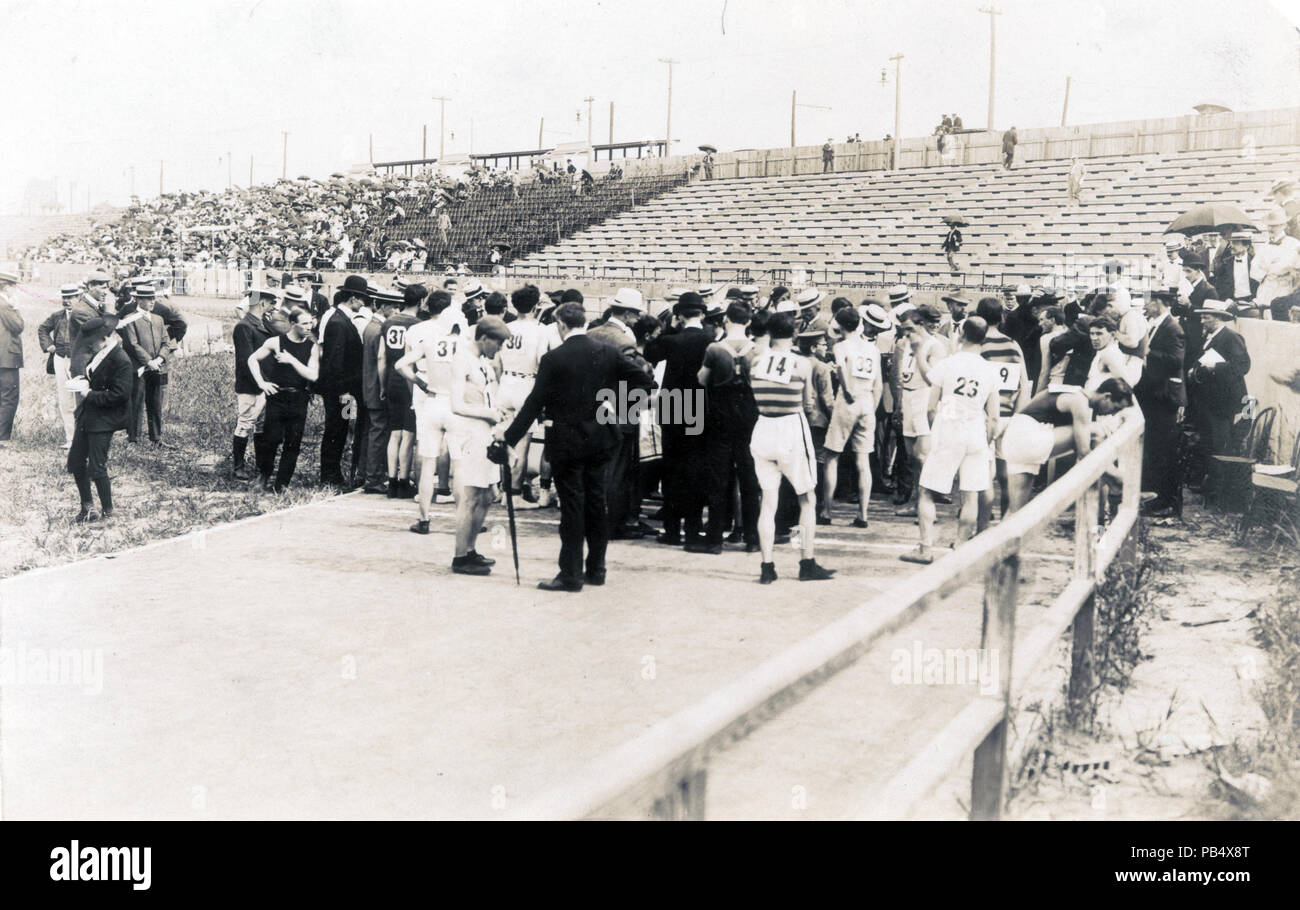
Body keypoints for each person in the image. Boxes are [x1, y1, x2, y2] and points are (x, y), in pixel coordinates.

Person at [496, 302, 653, 592]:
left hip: (567, 439)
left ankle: (570, 574)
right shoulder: (607, 353)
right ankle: (597, 569)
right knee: (596, 503)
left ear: (561, 324)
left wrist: (509, 437)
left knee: (572, 507)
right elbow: (645, 380)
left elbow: (534, 404)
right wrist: (614, 406)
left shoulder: (554, 358)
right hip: (601, 436)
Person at [901, 318, 1000, 565]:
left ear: (962, 335)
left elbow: (931, 407)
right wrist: (986, 440)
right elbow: (994, 417)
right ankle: (961, 546)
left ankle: (925, 548)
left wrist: (937, 430)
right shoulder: (989, 370)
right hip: (976, 431)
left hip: (949, 427)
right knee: (970, 494)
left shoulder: (948, 363)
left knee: (927, 490)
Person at [747, 312, 835, 583]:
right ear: (794, 334)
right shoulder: (801, 363)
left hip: (763, 427)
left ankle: (767, 566)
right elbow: (808, 402)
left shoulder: (755, 361)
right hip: (791, 427)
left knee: (768, 501)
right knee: (806, 498)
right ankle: (805, 561)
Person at [1001, 379, 1135, 514]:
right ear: (1107, 396)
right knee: (1096, 432)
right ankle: (1118, 484)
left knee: (1016, 511)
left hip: (1013, 439)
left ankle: (1115, 486)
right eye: (1116, 408)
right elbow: (1083, 452)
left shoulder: (1076, 393)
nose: (1112, 414)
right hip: (1026, 437)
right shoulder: (1079, 401)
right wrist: (1115, 475)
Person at [645, 291, 712, 547]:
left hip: (672, 407)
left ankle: (671, 528)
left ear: (679, 315)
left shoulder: (671, 340)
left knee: (672, 469)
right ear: (702, 314)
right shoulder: (710, 340)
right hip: (698, 407)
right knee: (695, 469)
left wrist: (670, 328)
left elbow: (650, 353)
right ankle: (693, 529)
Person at [448, 316, 512, 576]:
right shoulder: (462, 359)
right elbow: (456, 405)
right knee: (472, 495)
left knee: (487, 496)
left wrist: (496, 412)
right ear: (484, 338)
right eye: (498, 343)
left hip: (485, 431)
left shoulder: (483, 361)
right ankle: (460, 557)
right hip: (470, 433)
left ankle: (471, 549)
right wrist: (489, 413)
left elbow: (486, 397)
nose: (500, 349)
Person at [696, 301, 761, 552]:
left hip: (720, 416)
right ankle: (752, 538)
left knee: (718, 478)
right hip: (749, 416)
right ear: (748, 322)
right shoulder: (756, 351)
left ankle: (714, 539)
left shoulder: (715, 348)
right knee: (749, 478)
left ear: (726, 320)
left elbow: (702, 380)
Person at [587, 287, 651, 536]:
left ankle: (595, 518)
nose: (636, 319)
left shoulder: (590, 334)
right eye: (635, 315)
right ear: (626, 314)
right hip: (620, 409)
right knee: (619, 470)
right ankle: (613, 523)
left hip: (592, 408)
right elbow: (636, 376)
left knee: (596, 468)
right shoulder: (625, 341)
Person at [397, 291, 462, 533]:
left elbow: (400, 365)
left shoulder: (429, 341)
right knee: (460, 463)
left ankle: (424, 519)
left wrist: (419, 382)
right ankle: (463, 519)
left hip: (433, 399)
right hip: (455, 403)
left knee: (427, 462)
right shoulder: (464, 344)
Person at [823, 305, 887, 528]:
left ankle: (827, 511)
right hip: (867, 400)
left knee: (832, 455)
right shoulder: (873, 349)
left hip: (847, 400)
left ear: (840, 326)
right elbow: (879, 384)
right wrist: (871, 406)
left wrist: (848, 390)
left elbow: (841, 368)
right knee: (863, 460)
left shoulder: (841, 346)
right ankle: (863, 514)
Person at [64, 317, 132, 520]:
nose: (88, 346)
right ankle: (88, 508)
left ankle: (108, 512)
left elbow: (120, 395)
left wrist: (89, 394)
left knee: (96, 466)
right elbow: (97, 378)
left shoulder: (121, 360)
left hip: (105, 419)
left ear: (104, 338)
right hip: (89, 416)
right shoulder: (101, 353)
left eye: (91, 343)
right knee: (76, 462)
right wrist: (83, 381)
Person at [248, 306, 320, 492]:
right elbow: (252, 359)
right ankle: (264, 476)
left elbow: (313, 375)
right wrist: (262, 383)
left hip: (299, 398)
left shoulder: (312, 347)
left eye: (310, 323)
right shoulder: (276, 342)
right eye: (304, 324)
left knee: (293, 443)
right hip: (277, 397)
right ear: (292, 324)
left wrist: (291, 360)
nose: (309, 327)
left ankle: (282, 484)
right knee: (271, 439)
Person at [1188, 300, 1251, 501]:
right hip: (1209, 400)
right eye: (1201, 316)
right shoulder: (1210, 336)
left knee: (1219, 444)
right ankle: (1210, 484)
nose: (1202, 320)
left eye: (1206, 317)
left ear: (1219, 318)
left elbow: (1242, 366)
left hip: (1223, 402)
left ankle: (1218, 490)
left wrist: (1215, 367)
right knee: (1208, 441)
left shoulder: (1231, 337)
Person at [1134, 290, 1186, 517]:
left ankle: (1166, 500)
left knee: (1163, 450)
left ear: (1158, 303)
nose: (1146, 306)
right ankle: (1155, 497)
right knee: (1154, 449)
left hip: (1164, 398)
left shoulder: (1173, 327)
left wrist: (1148, 353)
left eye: (1148, 302)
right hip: (1153, 396)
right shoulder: (1155, 325)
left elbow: (1176, 361)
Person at [894, 304, 948, 516]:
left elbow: (933, 379)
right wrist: (899, 403)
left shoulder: (934, 346)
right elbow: (902, 376)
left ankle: (927, 506)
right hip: (908, 397)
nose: (906, 333)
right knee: (911, 457)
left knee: (923, 455)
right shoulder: (905, 343)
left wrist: (918, 353)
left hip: (925, 397)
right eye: (904, 330)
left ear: (921, 324)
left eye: (910, 328)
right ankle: (916, 502)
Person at [317, 276, 367, 487]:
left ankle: (333, 473)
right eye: (362, 299)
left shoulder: (342, 319)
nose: (363, 304)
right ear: (353, 298)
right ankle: (329, 475)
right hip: (340, 392)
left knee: (341, 428)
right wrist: (343, 391)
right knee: (336, 429)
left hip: (342, 391)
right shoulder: (339, 323)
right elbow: (335, 362)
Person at [377, 283, 424, 498]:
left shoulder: (388, 322)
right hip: (409, 378)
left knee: (394, 432)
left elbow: (381, 357)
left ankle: (392, 481)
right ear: (421, 302)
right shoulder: (418, 325)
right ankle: (404, 481)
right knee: (408, 432)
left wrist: (382, 384)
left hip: (391, 379)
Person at [117, 284, 177, 445]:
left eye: (153, 298)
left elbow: (166, 342)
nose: (152, 301)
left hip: (157, 367)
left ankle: (156, 437)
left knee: (155, 402)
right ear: (138, 300)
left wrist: (159, 359)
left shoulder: (158, 319)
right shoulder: (130, 319)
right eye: (148, 298)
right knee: (136, 401)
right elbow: (132, 344)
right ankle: (133, 438)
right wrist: (148, 361)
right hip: (139, 368)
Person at [231, 287, 280, 479]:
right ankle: (238, 467)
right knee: (245, 423)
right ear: (262, 303)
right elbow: (246, 360)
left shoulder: (263, 323)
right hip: (251, 385)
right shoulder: (244, 326)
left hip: (264, 384)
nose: (273, 307)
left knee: (261, 425)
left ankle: (261, 465)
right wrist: (262, 383)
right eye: (271, 303)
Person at [359, 288, 400, 494]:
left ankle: (365, 473)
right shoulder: (379, 330)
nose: (397, 312)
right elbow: (381, 361)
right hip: (377, 387)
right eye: (395, 307)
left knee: (372, 432)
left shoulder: (372, 327)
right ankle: (373, 478)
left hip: (370, 386)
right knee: (378, 432)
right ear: (384, 306)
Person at [40, 284, 81, 447]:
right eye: (65, 297)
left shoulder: (84, 316)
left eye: (71, 297)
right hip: (60, 358)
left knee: (81, 398)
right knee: (65, 399)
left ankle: (83, 437)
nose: (67, 301)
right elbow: (43, 329)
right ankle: (70, 438)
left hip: (79, 361)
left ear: (78, 297)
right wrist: (49, 345)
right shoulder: (57, 316)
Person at [0, 269, 23, 446]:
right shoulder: (5, 305)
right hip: (7, 358)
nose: (15, 290)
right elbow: (18, 326)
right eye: (14, 286)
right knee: (9, 397)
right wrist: (16, 309)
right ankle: (2, 436)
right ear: (6, 287)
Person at [1213, 231, 1257, 306]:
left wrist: (1255, 302)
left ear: (1246, 246)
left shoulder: (1255, 261)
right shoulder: (1225, 263)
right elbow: (1219, 286)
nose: (1231, 246)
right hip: (1231, 303)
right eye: (1231, 243)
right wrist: (1227, 300)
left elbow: (1261, 284)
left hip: (1251, 302)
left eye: (1235, 243)